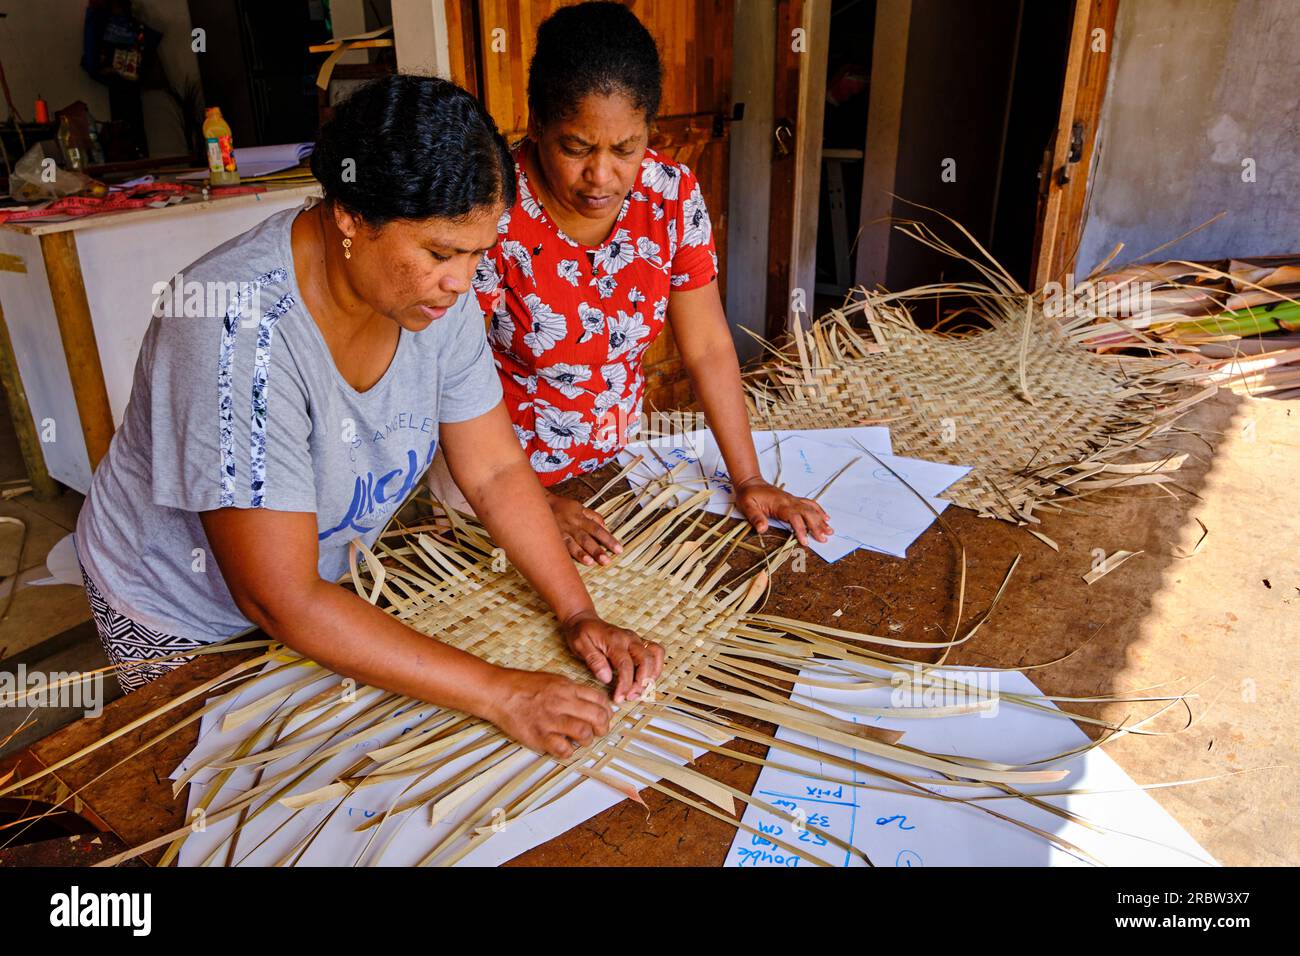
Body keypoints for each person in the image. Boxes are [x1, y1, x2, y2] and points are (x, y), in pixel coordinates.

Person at [74, 75, 662, 760]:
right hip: (182, 611)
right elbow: (281, 599)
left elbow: (497, 469)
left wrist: (578, 612)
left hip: (314, 587)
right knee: (221, 798)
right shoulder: (233, 328)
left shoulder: (436, 298)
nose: (461, 280)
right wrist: (502, 693)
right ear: (351, 215)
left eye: (479, 252)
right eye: (441, 253)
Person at [460, 1, 834, 567]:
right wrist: (532, 501)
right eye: (576, 148)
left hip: (614, 469)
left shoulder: (670, 196)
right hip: (490, 487)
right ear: (536, 124)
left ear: (648, 133)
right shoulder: (494, 214)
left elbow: (707, 346)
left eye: (625, 148)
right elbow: (452, 382)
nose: (601, 176)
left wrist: (750, 478)